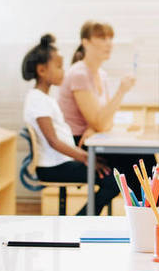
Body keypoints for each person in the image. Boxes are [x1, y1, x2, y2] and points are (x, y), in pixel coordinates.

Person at [22, 33, 120, 214]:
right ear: (42, 70)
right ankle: (79, 222)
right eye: (59, 66)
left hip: (60, 163)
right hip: (53, 167)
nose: (63, 72)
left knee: (113, 176)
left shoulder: (43, 98)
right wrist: (86, 158)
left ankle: (81, 220)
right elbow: (54, 141)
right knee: (113, 181)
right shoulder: (37, 100)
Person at [57, 20, 154, 199]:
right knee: (139, 162)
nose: (109, 43)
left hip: (93, 137)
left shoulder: (101, 74)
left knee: (144, 159)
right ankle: (158, 212)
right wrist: (121, 91)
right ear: (85, 42)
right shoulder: (79, 74)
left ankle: (155, 211)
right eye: (101, 37)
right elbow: (102, 122)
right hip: (78, 143)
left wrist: (94, 127)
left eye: (110, 38)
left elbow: (105, 122)